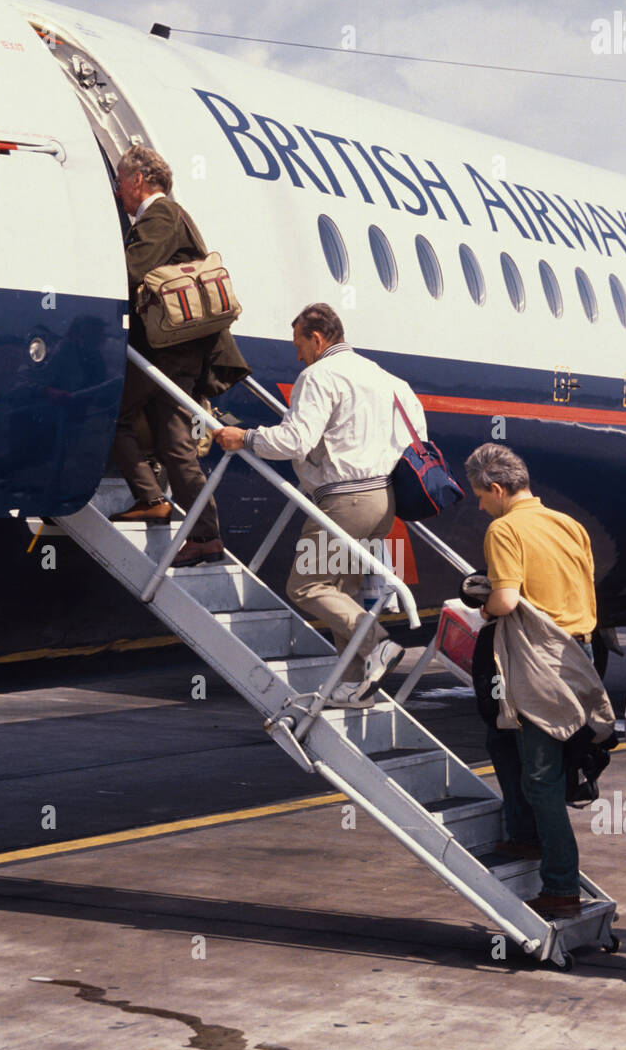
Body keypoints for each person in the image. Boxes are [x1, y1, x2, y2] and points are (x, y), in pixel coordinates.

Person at [215, 303, 426, 706]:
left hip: (344, 501)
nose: (297, 354)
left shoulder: (318, 375)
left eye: (299, 344)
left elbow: (295, 441)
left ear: (317, 338)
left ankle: (379, 644)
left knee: (307, 585)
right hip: (384, 501)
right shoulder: (387, 378)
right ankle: (353, 688)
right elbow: (416, 435)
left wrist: (245, 438)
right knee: (341, 593)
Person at [465, 443, 602, 918]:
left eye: (481, 496)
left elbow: (504, 601)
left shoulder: (504, 529)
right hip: (579, 651)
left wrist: (480, 608)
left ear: (498, 489)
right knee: (507, 741)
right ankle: (524, 833)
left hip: (539, 656)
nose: (479, 505)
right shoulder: (569, 524)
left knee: (541, 776)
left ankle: (561, 887)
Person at [111, 144, 249, 567]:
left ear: (138, 180)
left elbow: (134, 269)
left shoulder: (160, 215)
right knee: (175, 443)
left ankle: (152, 498)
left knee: (110, 413)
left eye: (120, 183)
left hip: (167, 352)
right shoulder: (175, 216)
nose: (118, 193)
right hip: (181, 352)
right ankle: (206, 537)